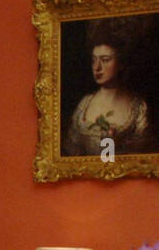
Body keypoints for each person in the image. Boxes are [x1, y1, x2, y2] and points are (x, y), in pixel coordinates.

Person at [63, 20, 153, 156]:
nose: (97, 68)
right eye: (94, 60)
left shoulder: (137, 108)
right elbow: (70, 155)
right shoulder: (84, 104)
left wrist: (117, 146)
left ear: (121, 63)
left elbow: (142, 157)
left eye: (105, 60)